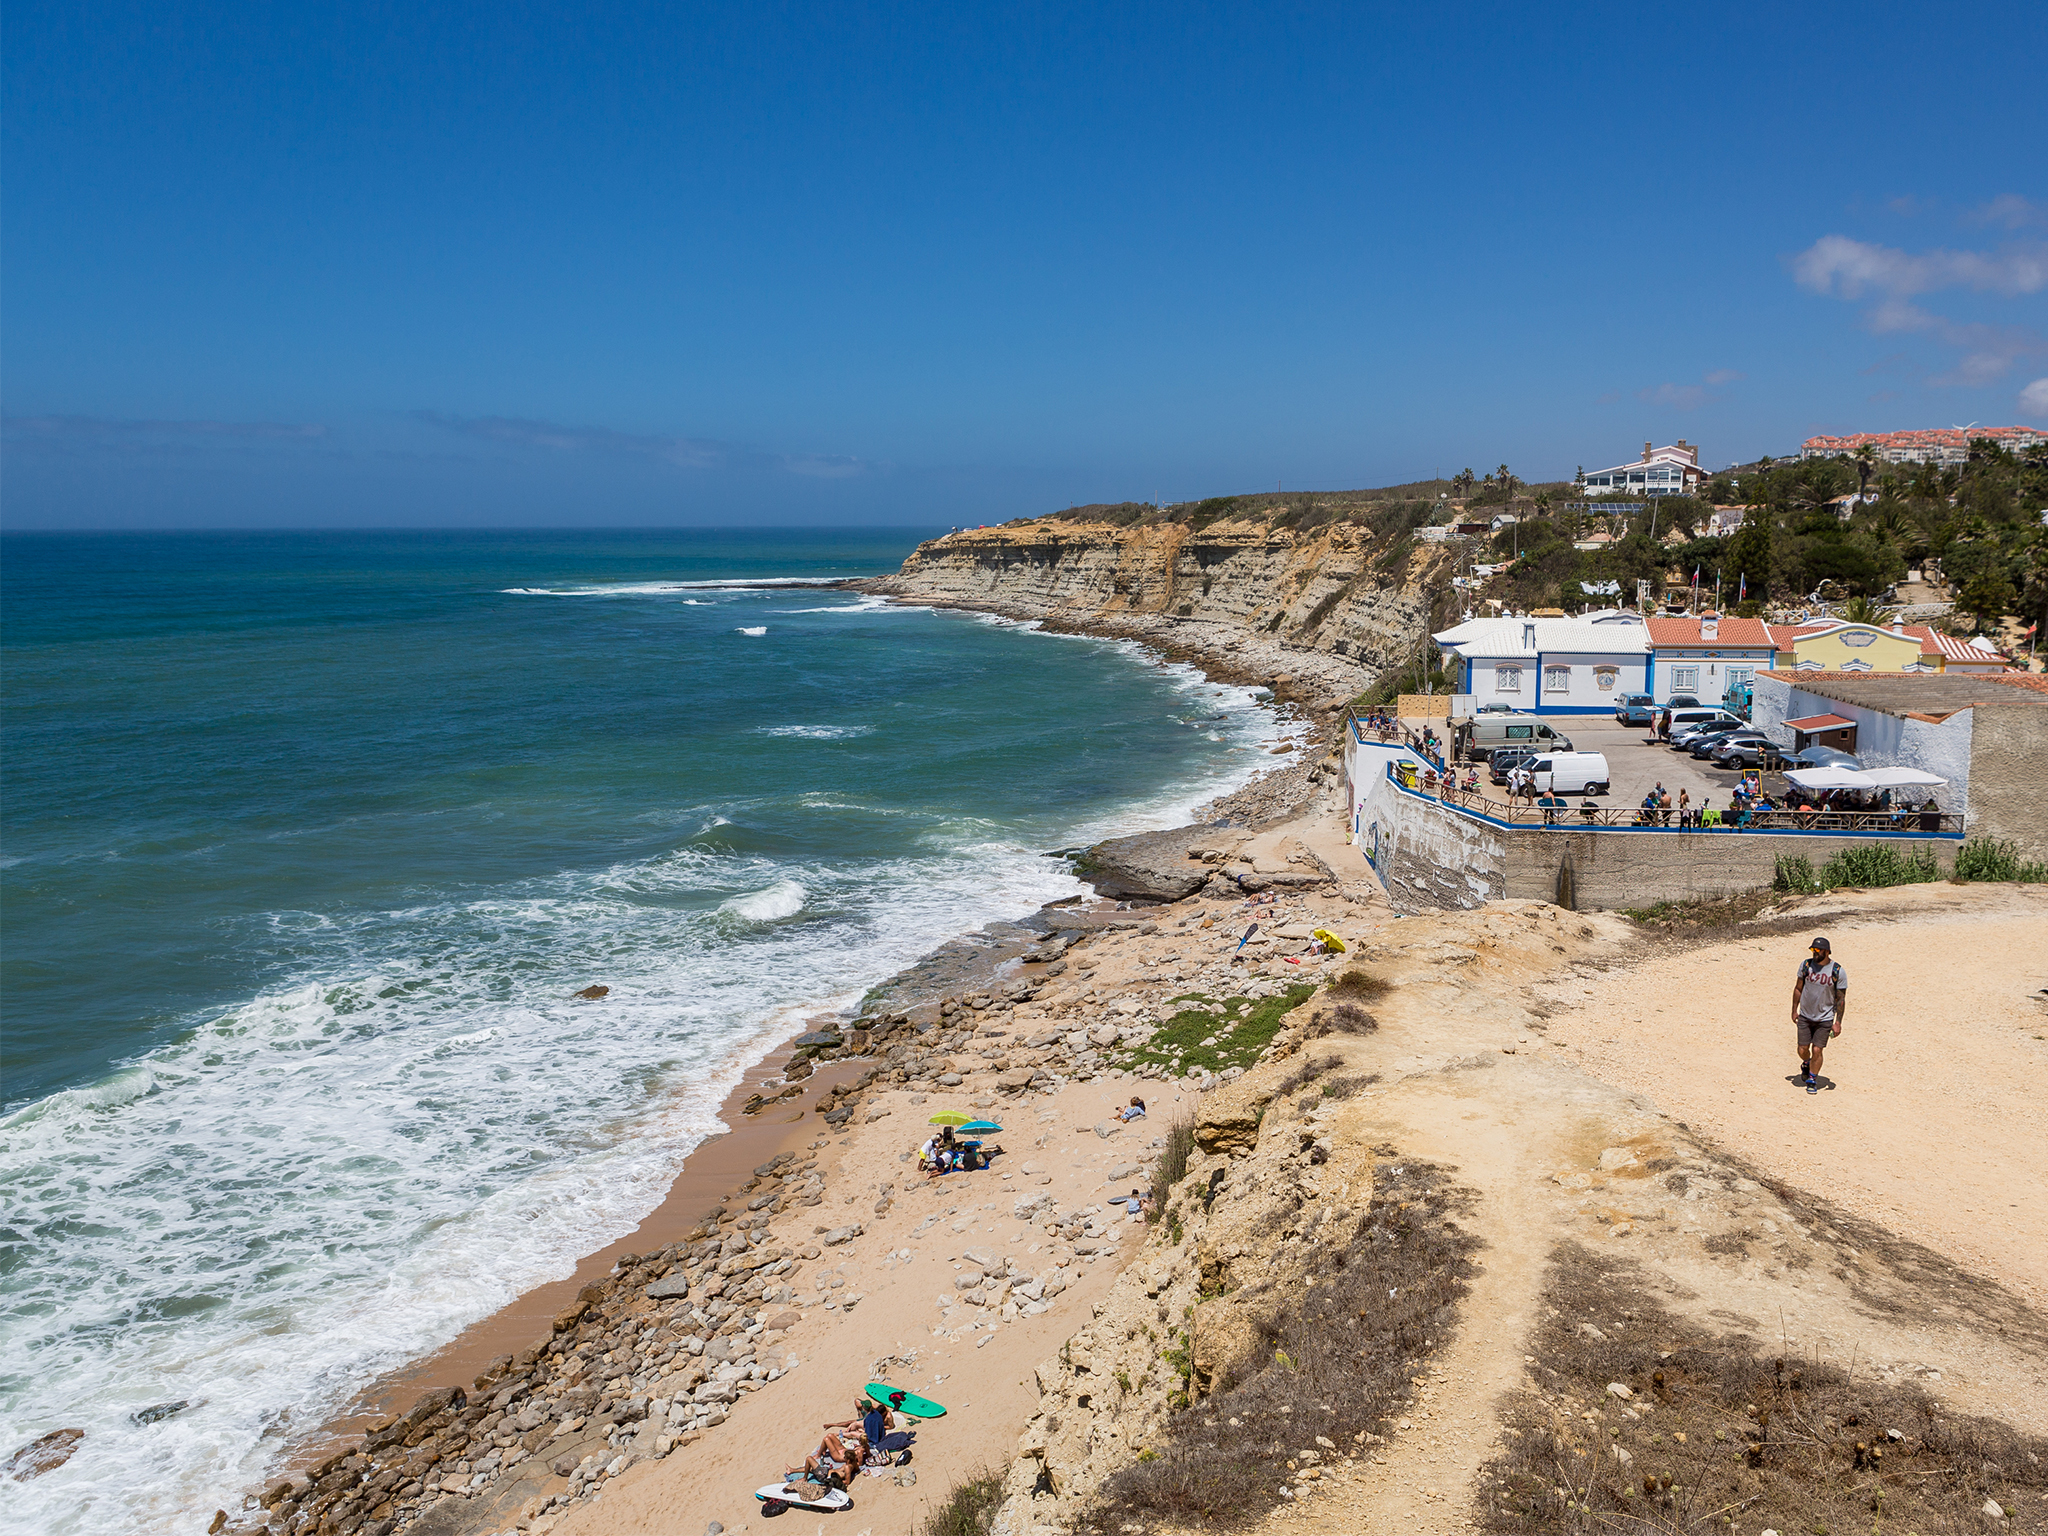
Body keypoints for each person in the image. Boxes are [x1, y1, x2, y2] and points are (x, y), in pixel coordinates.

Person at [1790, 936, 1846, 1094]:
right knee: (1802, 1049)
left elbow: (1841, 999)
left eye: (1817, 949)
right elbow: (1798, 988)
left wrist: (1838, 1022)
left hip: (1825, 1018)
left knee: (1817, 1050)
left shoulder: (1837, 971)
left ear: (1827, 951)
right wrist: (1794, 1009)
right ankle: (1806, 1063)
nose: (1814, 952)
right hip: (1805, 1016)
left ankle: (1812, 1078)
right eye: (1812, 949)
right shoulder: (1806, 965)